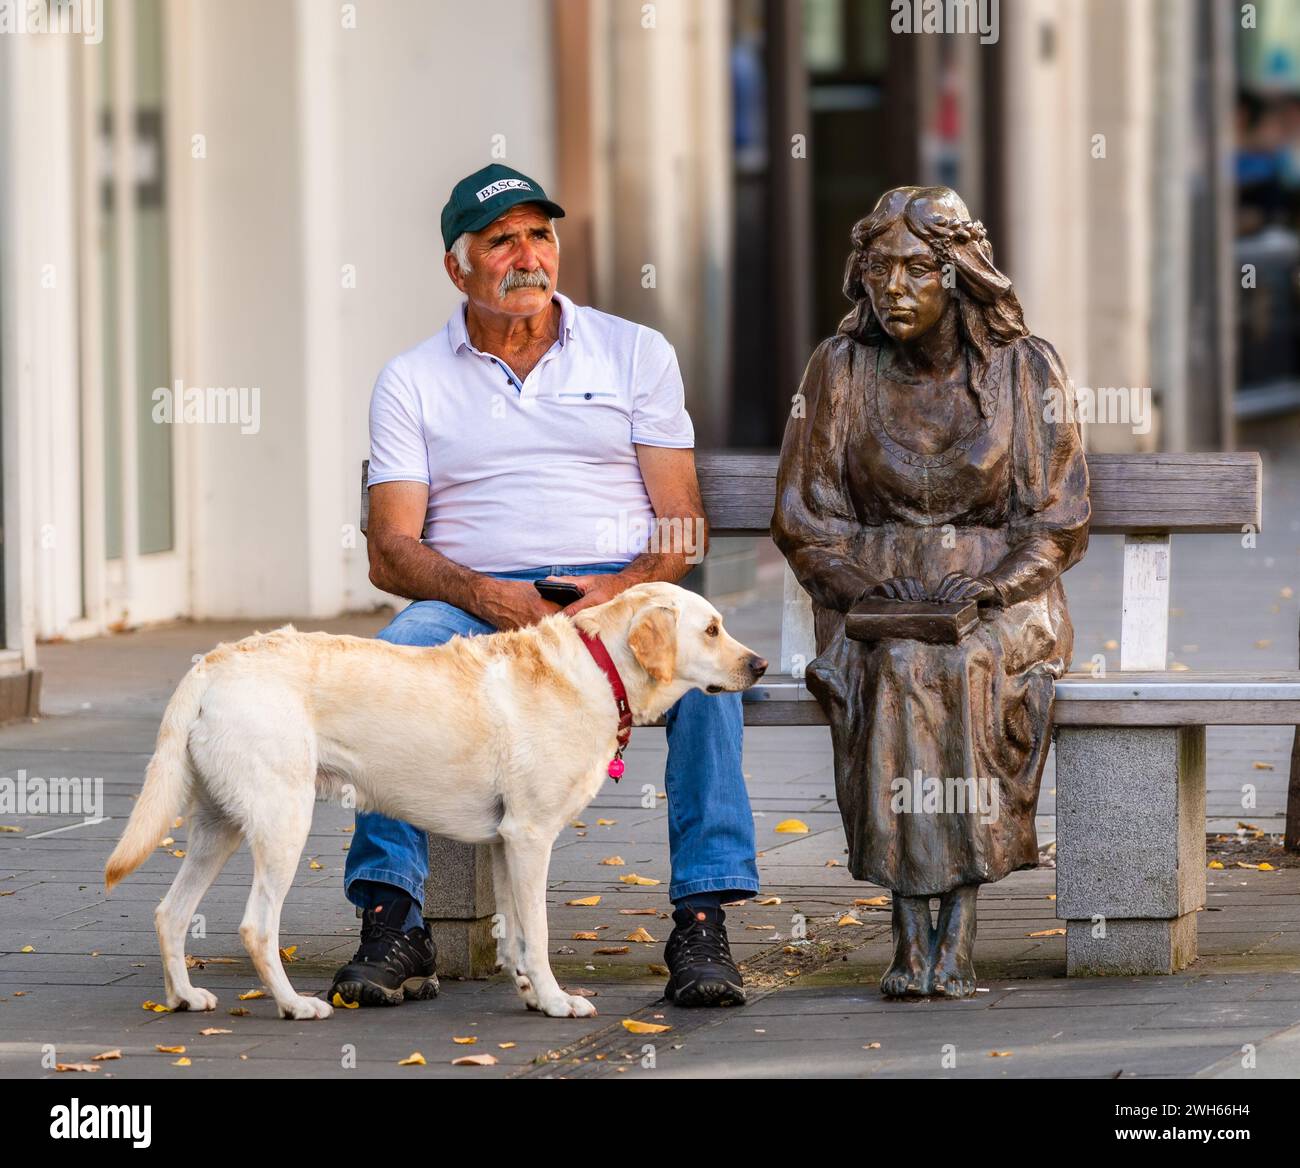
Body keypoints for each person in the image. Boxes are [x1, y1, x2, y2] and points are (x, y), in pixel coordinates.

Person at [329, 163, 759, 1010]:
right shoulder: (412, 378)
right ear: (458, 267)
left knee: (708, 683)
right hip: (468, 603)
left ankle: (702, 922)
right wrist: (494, 599)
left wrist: (622, 592)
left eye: (541, 235)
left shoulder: (634, 351)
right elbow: (390, 550)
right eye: (502, 241)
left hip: (615, 598)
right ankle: (392, 919)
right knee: (391, 662)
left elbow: (681, 525)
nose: (528, 256)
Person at [772, 186, 1089, 998]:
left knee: (955, 663)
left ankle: (954, 934)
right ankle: (915, 934)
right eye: (879, 270)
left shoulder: (1025, 369)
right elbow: (805, 519)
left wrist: (988, 589)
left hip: (1005, 599)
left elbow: (1057, 523)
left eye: (918, 269)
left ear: (960, 275)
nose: (895, 289)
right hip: (870, 597)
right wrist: (863, 592)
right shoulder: (839, 369)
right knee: (902, 660)